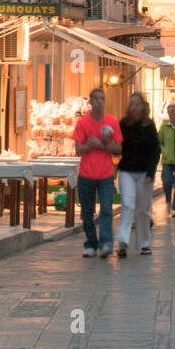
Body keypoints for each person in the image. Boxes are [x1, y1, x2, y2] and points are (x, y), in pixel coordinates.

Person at [72, 87, 123, 259]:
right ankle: (91, 243)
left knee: (107, 209)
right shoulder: (83, 123)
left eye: (102, 98)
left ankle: (106, 243)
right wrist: (89, 145)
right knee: (87, 212)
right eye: (96, 99)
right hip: (86, 174)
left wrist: (106, 144)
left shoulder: (112, 122)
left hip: (106, 174)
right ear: (91, 102)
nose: (100, 102)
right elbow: (78, 149)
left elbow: (119, 148)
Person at [115, 92, 160, 257]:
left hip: (144, 173)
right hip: (126, 170)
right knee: (127, 205)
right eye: (131, 104)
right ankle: (123, 241)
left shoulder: (149, 126)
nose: (133, 107)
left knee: (143, 209)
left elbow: (155, 150)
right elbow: (118, 144)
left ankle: (144, 243)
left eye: (136, 104)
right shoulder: (123, 124)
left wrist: (151, 172)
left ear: (143, 106)